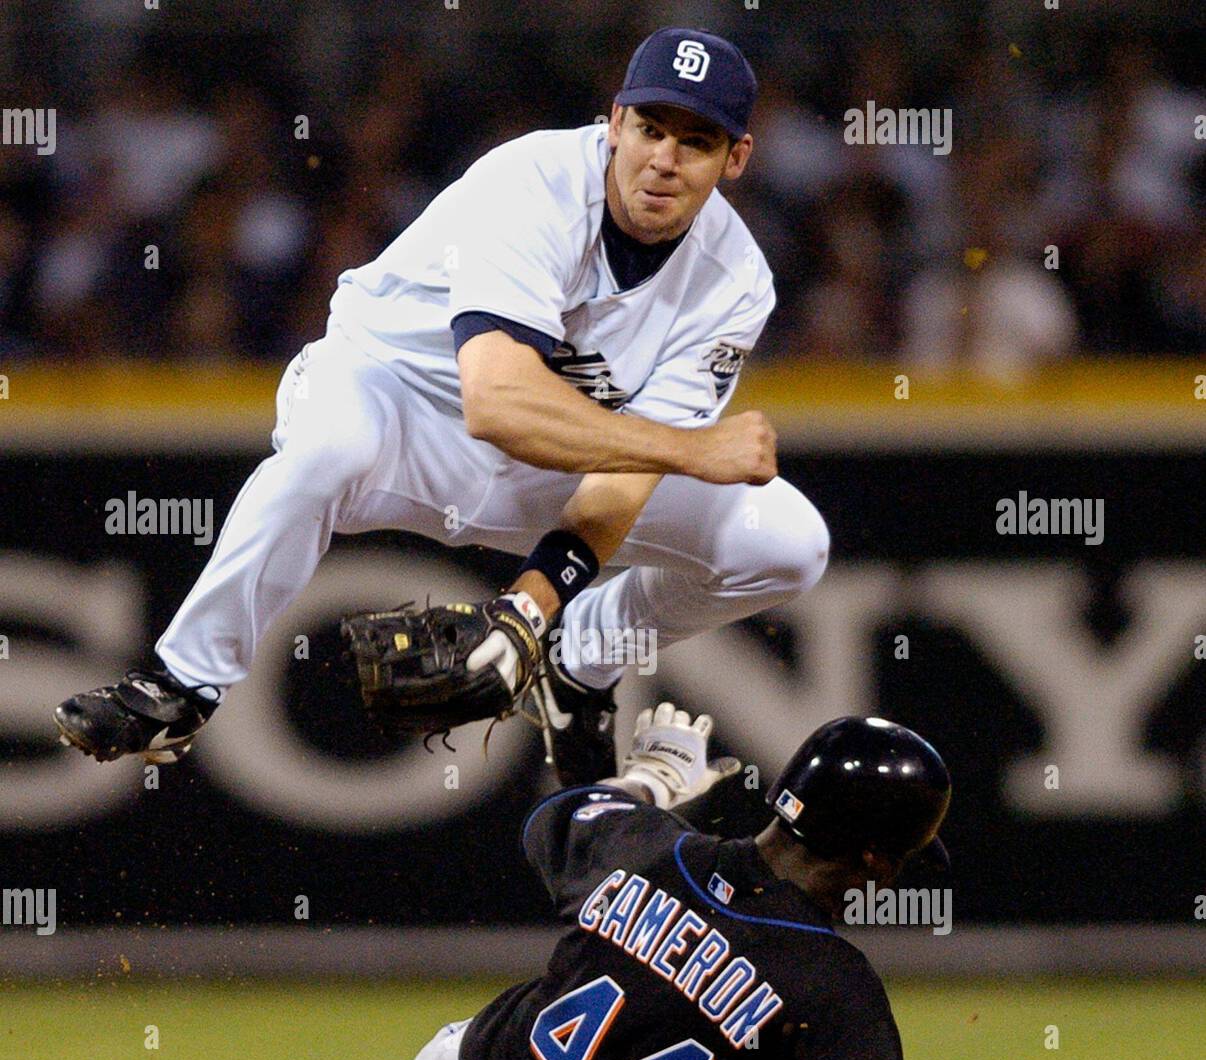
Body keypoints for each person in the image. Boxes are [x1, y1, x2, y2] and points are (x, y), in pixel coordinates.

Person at [45, 709, 1193, 1060]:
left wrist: (652, 778)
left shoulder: (659, 850)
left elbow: (562, 818)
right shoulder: (830, 986)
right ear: (884, 863)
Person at [52, 27, 828, 788]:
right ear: (615, 120)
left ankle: (584, 657)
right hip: (396, 407)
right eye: (651, 128)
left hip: (553, 466)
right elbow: (498, 402)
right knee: (325, 451)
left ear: (737, 159)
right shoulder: (533, 180)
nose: (663, 158)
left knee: (787, 543)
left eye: (695, 141)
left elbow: (629, 470)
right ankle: (183, 683)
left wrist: (534, 605)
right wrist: (692, 449)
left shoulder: (736, 280)